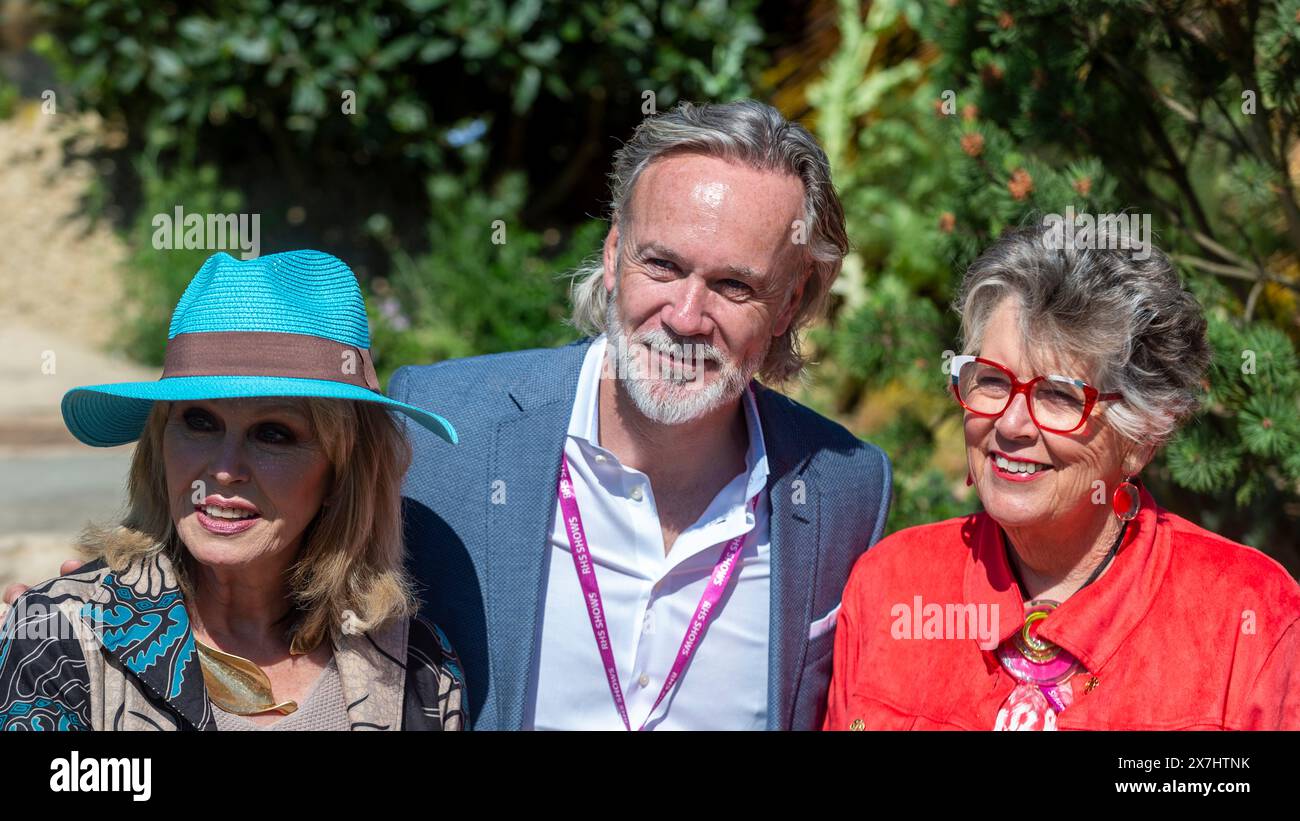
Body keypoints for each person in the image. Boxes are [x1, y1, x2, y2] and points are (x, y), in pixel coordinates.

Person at [390, 99, 892, 729]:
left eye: (734, 286)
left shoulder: (843, 490)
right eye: (662, 264)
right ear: (612, 253)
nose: (685, 316)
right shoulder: (440, 433)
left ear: (788, 305)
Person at [824, 222, 1300, 730]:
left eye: (1058, 395)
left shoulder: (1251, 620)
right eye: (991, 380)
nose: (1010, 424)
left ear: (1141, 436)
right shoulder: (892, 587)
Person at [0, 250, 467, 731]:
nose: (223, 470)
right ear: (158, 446)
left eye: (274, 434)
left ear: (341, 474)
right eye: (199, 422)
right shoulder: (61, 638)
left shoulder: (419, 668)